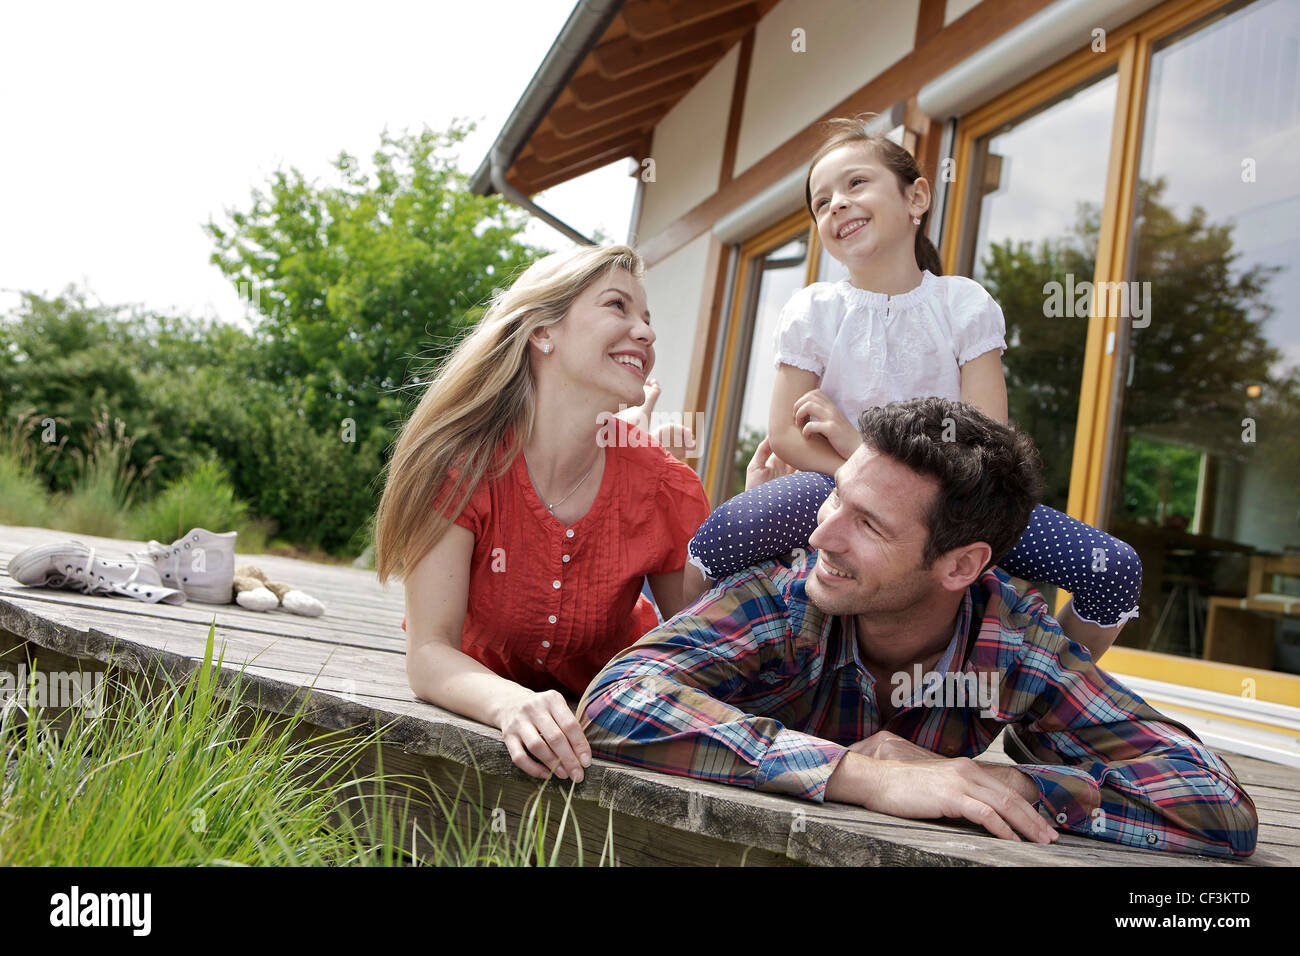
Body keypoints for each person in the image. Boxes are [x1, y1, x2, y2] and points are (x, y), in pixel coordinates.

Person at [578, 398, 1257, 858]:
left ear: (961, 565)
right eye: (838, 494)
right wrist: (862, 776)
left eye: (867, 522)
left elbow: (1220, 807)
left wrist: (1022, 787)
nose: (821, 532)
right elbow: (612, 703)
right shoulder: (786, 595)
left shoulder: (1015, 647)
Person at [687, 115, 1141, 663]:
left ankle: (1046, 704)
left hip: (956, 504)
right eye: (821, 201)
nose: (836, 204)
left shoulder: (963, 304)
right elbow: (784, 432)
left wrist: (858, 449)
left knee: (1113, 568)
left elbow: (985, 443)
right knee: (729, 531)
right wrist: (854, 475)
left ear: (916, 197)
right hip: (833, 494)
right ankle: (681, 669)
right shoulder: (814, 310)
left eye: (856, 183)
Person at [374, 244, 712, 786]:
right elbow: (430, 652)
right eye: (617, 307)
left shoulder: (666, 486)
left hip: (610, 721)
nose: (646, 332)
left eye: (647, 318)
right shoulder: (461, 466)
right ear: (543, 332)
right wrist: (511, 705)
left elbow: (700, 655)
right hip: (482, 703)